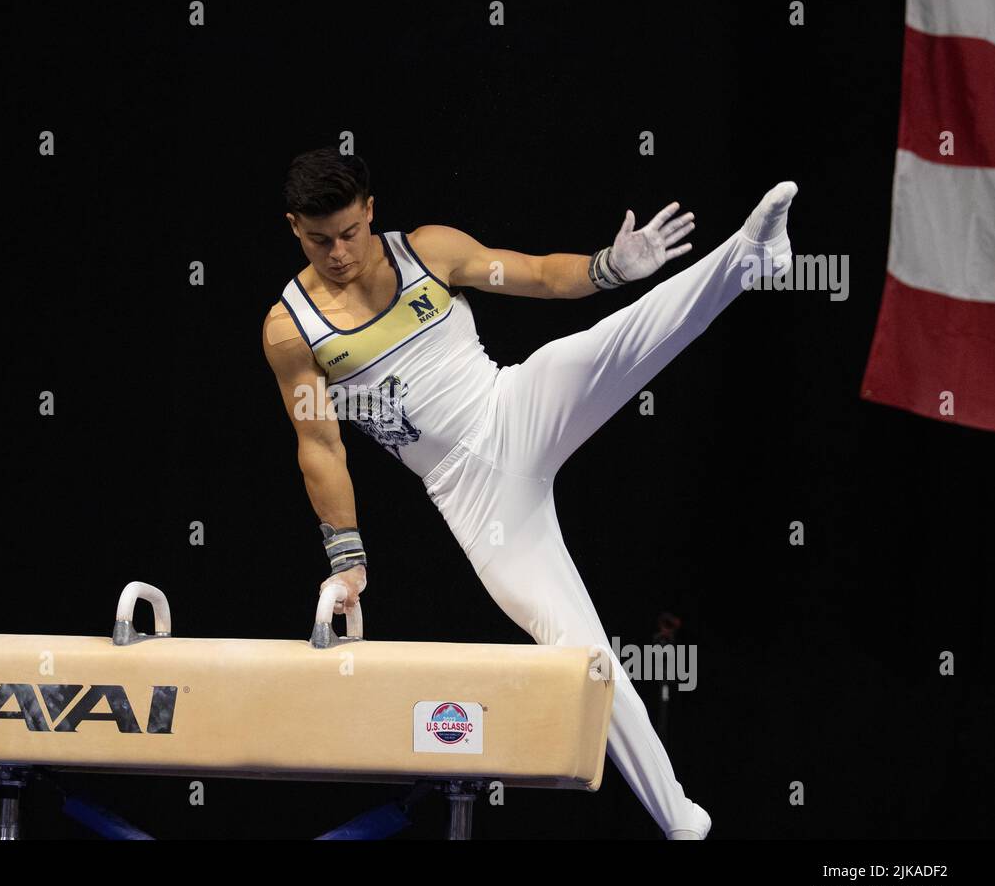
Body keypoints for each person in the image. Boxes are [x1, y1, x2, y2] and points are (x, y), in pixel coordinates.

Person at [262, 147, 796, 839]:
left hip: (514, 406)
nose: (337, 253)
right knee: (580, 652)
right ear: (293, 228)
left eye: (348, 232)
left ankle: (751, 257)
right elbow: (320, 445)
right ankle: (678, 817)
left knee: (612, 343)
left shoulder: (431, 251)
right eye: (317, 240)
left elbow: (542, 276)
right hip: (475, 500)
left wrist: (609, 266)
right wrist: (346, 557)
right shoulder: (291, 328)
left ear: (371, 211)